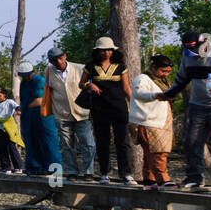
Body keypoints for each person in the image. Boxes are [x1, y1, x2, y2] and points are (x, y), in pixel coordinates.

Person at [158, 31, 211, 195]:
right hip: (198, 106)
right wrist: (168, 94)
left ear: (203, 44)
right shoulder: (187, 57)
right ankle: (194, 178)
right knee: (191, 141)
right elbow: (182, 79)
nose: (191, 53)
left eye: (193, 49)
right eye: (187, 49)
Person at [78, 37, 134, 184]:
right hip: (99, 108)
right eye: (103, 50)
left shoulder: (120, 66)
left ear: (113, 51)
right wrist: (89, 85)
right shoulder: (90, 66)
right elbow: (81, 84)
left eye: (109, 50)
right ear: (97, 51)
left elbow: (126, 88)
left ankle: (126, 173)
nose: (106, 53)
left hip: (119, 107)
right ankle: (104, 172)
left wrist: (135, 105)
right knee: (102, 141)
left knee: (123, 142)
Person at [43, 46, 94, 180]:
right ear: (51, 61)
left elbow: (89, 87)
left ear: (65, 56)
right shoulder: (48, 71)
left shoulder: (80, 68)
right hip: (61, 113)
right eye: (54, 60)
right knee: (67, 145)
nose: (58, 62)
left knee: (88, 144)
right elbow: (48, 91)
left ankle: (88, 172)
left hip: (81, 112)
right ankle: (72, 171)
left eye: (60, 58)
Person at [130, 55, 175, 189]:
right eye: (163, 71)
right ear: (153, 67)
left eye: (167, 72)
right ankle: (163, 179)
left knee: (152, 153)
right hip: (148, 121)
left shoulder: (164, 81)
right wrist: (155, 95)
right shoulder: (143, 79)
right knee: (157, 152)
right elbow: (139, 93)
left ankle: (150, 179)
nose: (165, 74)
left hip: (161, 122)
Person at [18, 62, 61, 176]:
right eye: (23, 75)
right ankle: (35, 168)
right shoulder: (23, 84)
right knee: (31, 141)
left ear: (33, 72)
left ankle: (54, 170)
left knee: (48, 141)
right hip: (28, 116)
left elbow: (39, 100)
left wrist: (27, 107)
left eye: (27, 75)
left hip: (43, 115)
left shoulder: (40, 81)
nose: (26, 77)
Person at [0, 85, 24, 173]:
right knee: (1, 149)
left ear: (4, 94)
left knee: (12, 148)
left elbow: (16, 106)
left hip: (9, 129)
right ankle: (6, 167)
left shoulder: (9, 102)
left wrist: (18, 110)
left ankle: (18, 167)